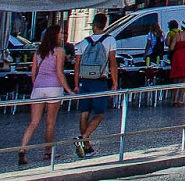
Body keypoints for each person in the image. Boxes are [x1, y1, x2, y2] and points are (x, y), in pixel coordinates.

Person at [18, 23, 74, 166]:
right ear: (55, 35)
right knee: (50, 123)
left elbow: (33, 73)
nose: (63, 35)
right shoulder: (59, 51)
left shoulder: (39, 51)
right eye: (61, 33)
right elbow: (60, 74)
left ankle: (22, 149)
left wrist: (36, 85)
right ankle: (48, 152)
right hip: (53, 88)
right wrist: (69, 90)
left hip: (38, 88)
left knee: (34, 122)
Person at [73, 13, 119, 160]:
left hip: (84, 81)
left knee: (84, 112)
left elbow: (77, 66)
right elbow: (112, 63)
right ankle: (84, 138)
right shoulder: (110, 40)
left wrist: (75, 84)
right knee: (99, 113)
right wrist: (115, 83)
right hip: (99, 80)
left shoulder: (83, 43)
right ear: (105, 24)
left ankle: (86, 146)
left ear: (93, 24)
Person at [167, 20, 185, 106]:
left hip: (178, 56)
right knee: (184, 78)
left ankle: (174, 99)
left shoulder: (178, 35)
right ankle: (180, 99)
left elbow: (172, 48)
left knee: (176, 78)